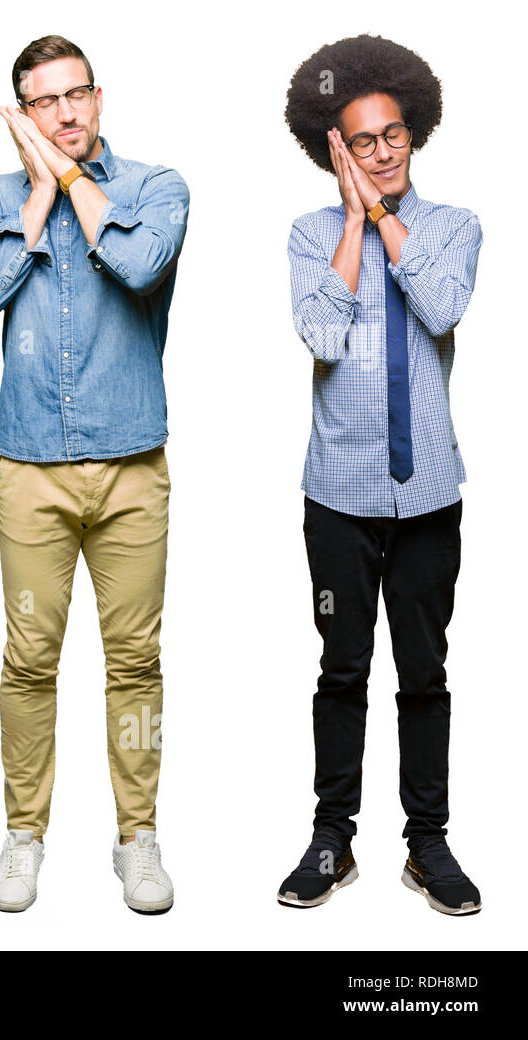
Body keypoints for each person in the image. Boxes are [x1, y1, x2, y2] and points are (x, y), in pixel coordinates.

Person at [0, 34, 188, 914]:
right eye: (43, 101)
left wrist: (70, 184)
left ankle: (139, 837)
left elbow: (136, 263)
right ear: (23, 111)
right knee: (29, 660)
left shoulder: (156, 188)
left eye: (76, 94)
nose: (65, 113)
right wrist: (37, 194)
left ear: (99, 96)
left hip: (132, 468)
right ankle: (23, 836)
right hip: (32, 476)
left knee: (135, 661)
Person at [280, 34, 482, 915]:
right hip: (339, 500)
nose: (383, 150)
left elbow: (438, 305)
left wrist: (386, 217)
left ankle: (428, 845)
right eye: (362, 140)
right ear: (336, 148)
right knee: (342, 670)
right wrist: (355, 221)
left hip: (430, 495)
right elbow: (322, 337)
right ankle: (333, 840)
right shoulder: (310, 236)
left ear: (414, 132)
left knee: (426, 674)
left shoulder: (451, 229)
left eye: (393, 133)